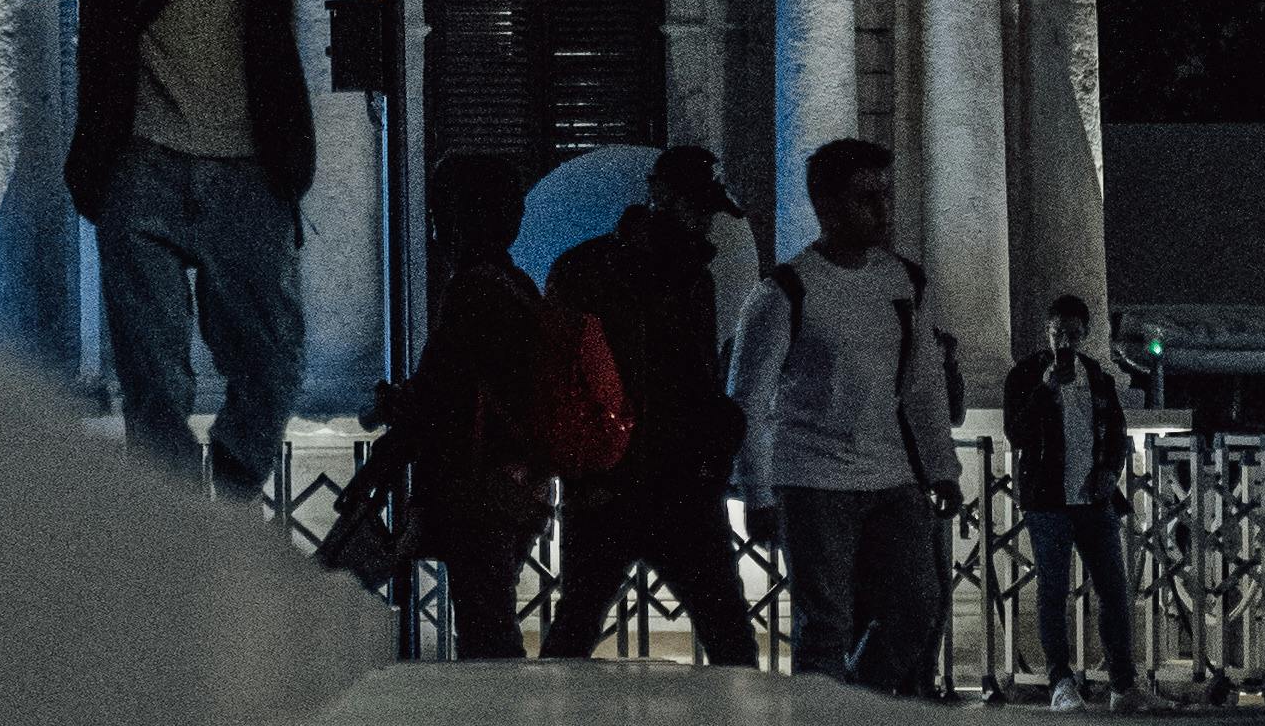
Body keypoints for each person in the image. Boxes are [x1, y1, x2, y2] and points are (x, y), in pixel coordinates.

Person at [0, 0, 374, 508]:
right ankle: (169, 530)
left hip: (250, 162)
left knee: (273, 358)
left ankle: (229, 492)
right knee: (154, 374)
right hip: (140, 161)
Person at [733, 137, 960, 692]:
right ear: (828, 207)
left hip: (892, 473)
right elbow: (748, 398)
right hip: (813, 477)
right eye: (867, 199)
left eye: (886, 196)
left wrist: (942, 467)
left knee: (919, 607)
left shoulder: (904, 281)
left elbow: (923, 383)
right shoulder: (786, 289)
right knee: (825, 623)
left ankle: (856, 700)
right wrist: (758, 492)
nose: (882, 211)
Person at [542, 140, 758, 666]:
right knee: (727, 635)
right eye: (695, 205)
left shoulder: (606, 269)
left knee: (579, 623)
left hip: (630, 480)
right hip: (645, 479)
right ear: (663, 197)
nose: (704, 221)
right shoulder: (662, 277)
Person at [387, 150, 577, 657]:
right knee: (490, 618)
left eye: (438, 212)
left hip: (479, 486)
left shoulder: (472, 290)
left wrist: (399, 420)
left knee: (487, 630)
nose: (432, 228)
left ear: (459, 217)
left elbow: (441, 391)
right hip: (519, 483)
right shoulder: (517, 286)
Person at [1002, 291, 1141, 709]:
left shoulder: (1098, 376)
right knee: (1053, 588)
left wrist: (1107, 475)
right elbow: (1018, 434)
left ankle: (1122, 683)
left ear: (1084, 335)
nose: (1064, 342)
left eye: (1073, 335)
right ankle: (1060, 681)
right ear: (1047, 331)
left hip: (1093, 499)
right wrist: (1044, 392)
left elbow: (1116, 435)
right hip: (1048, 499)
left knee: (1114, 589)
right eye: (1058, 333)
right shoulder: (1026, 375)